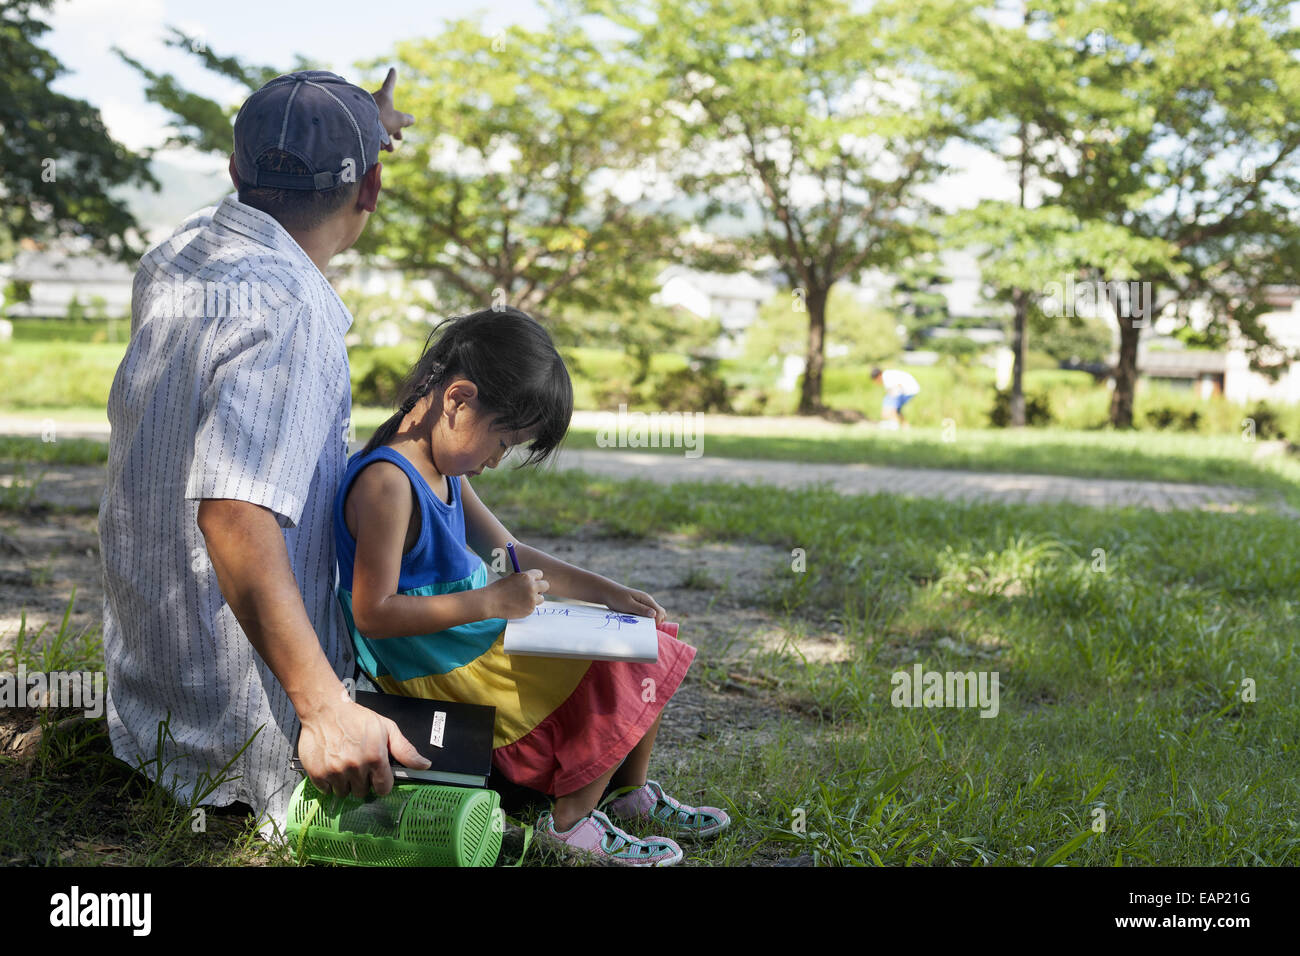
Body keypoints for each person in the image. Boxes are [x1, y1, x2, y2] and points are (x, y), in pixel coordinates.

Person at [99, 69, 426, 841]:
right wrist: (325, 712)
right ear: (371, 189)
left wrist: (360, 122)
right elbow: (235, 513)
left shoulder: (178, 255)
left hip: (151, 708)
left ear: (236, 169)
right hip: (241, 737)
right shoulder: (289, 310)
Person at [334, 307, 730, 866]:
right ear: (458, 400)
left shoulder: (441, 470)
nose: (497, 461)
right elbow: (373, 612)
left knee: (644, 637)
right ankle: (571, 826)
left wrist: (606, 592)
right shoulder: (387, 483)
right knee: (624, 660)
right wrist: (489, 601)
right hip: (448, 669)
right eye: (503, 441)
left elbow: (508, 553)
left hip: (479, 637)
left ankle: (626, 795)